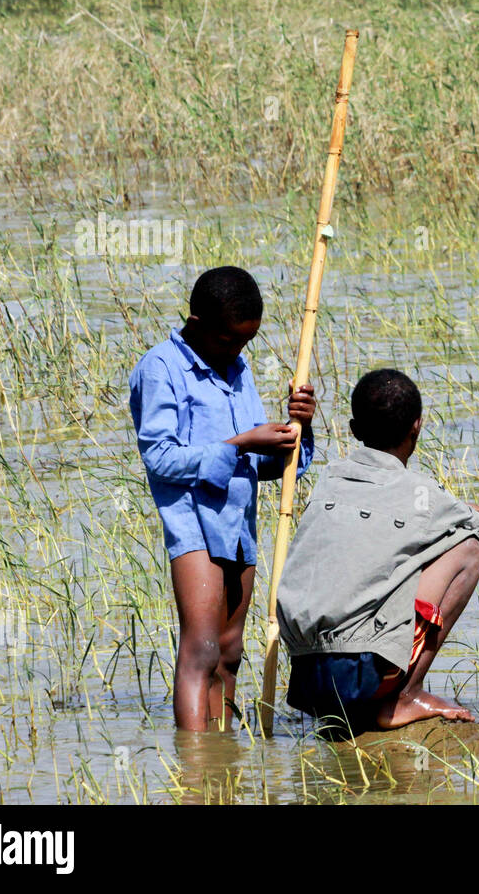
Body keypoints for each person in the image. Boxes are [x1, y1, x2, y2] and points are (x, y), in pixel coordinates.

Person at [278, 368, 479, 736]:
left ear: (354, 430)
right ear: (417, 427)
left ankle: (368, 702)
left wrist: (459, 515)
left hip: (307, 681)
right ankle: (405, 696)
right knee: (469, 549)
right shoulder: (420, 493)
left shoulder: (331, 479)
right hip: (360, 675)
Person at [129, 266, 316, 731]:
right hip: (193, 522)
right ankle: (197, 771)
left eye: (245, 343)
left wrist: (298, 428)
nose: (236, 351)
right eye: (229, 340)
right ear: (196, 326)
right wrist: (241, 444)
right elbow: (160, 457)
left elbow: (264, 465)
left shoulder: (236, 369)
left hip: (238, 522)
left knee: (230, 651)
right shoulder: (161, 368)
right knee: (202, 649)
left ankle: (223, 760)